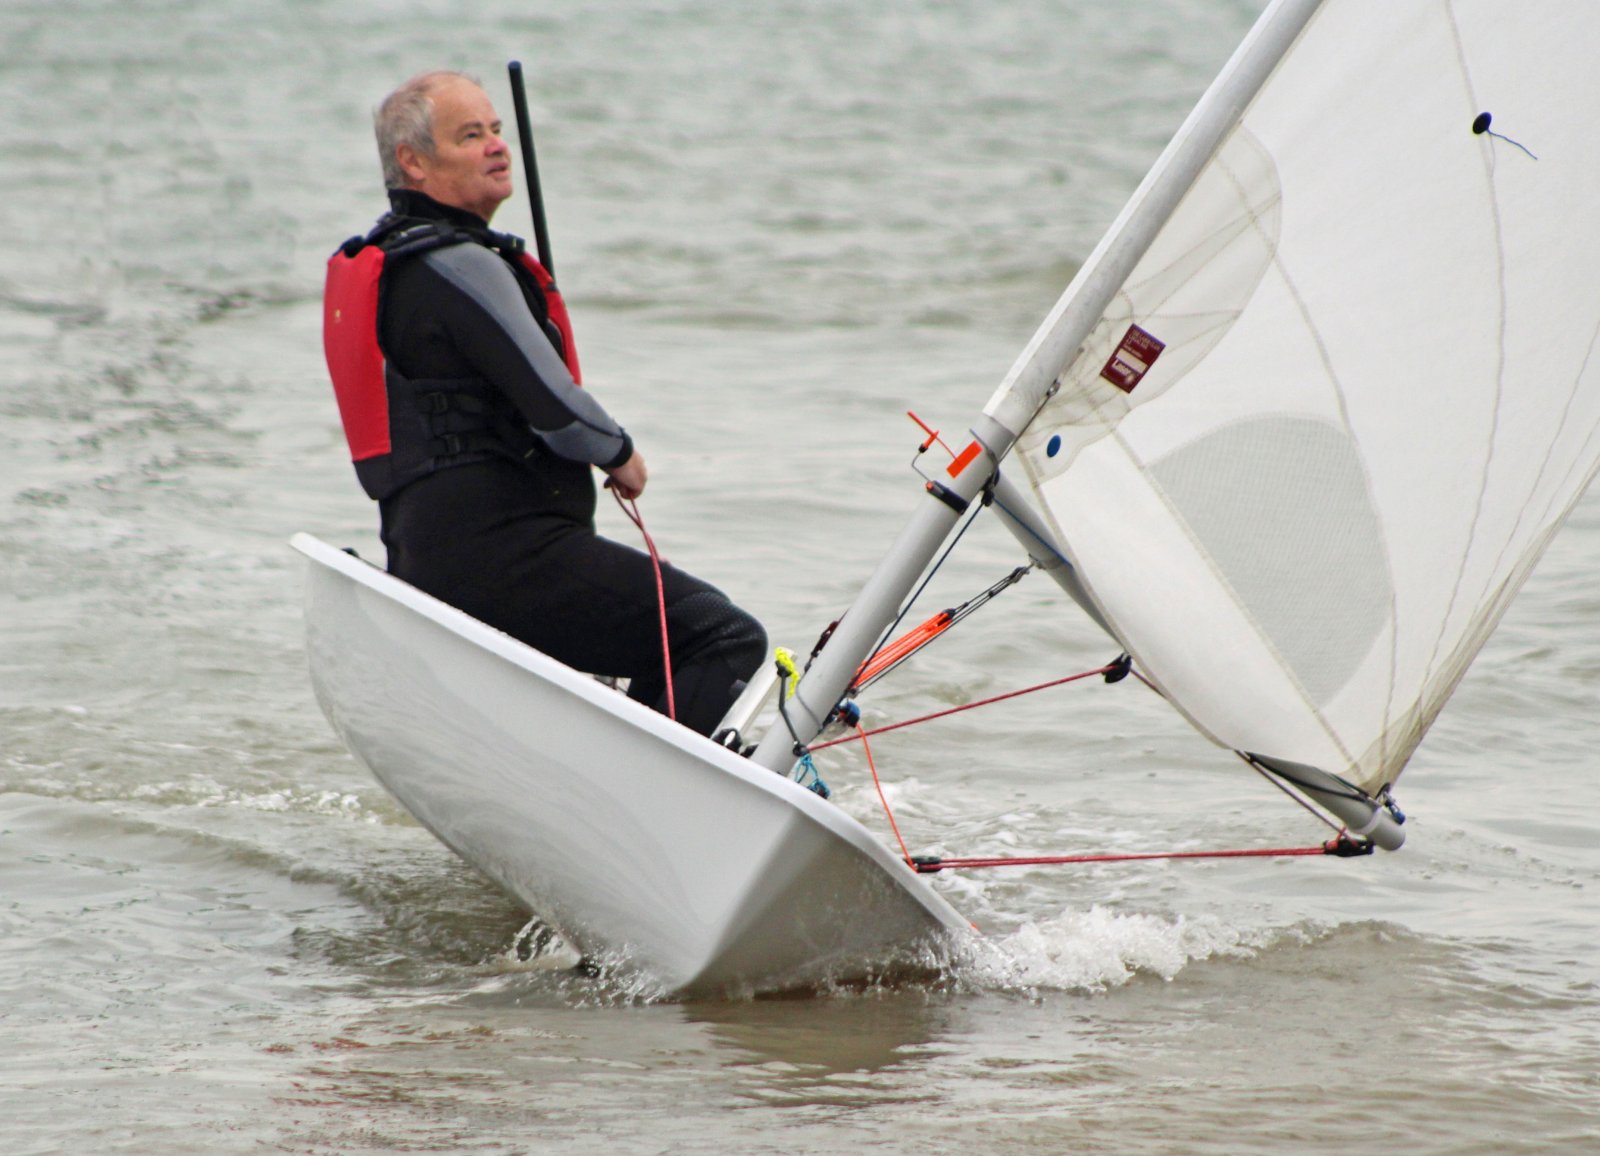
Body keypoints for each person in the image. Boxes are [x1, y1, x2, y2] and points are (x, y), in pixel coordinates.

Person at [322, 69, 766, 737]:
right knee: (718, 634)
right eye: (471, 135)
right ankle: (655, 805)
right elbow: (556, 409)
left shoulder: (397, 264)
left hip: (426, 554)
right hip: (506, 558)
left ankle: (632, 775)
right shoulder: (457, 264)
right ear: (414, 161)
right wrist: (620, 454)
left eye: (498, 130)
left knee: (662, 641)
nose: (497, 146)